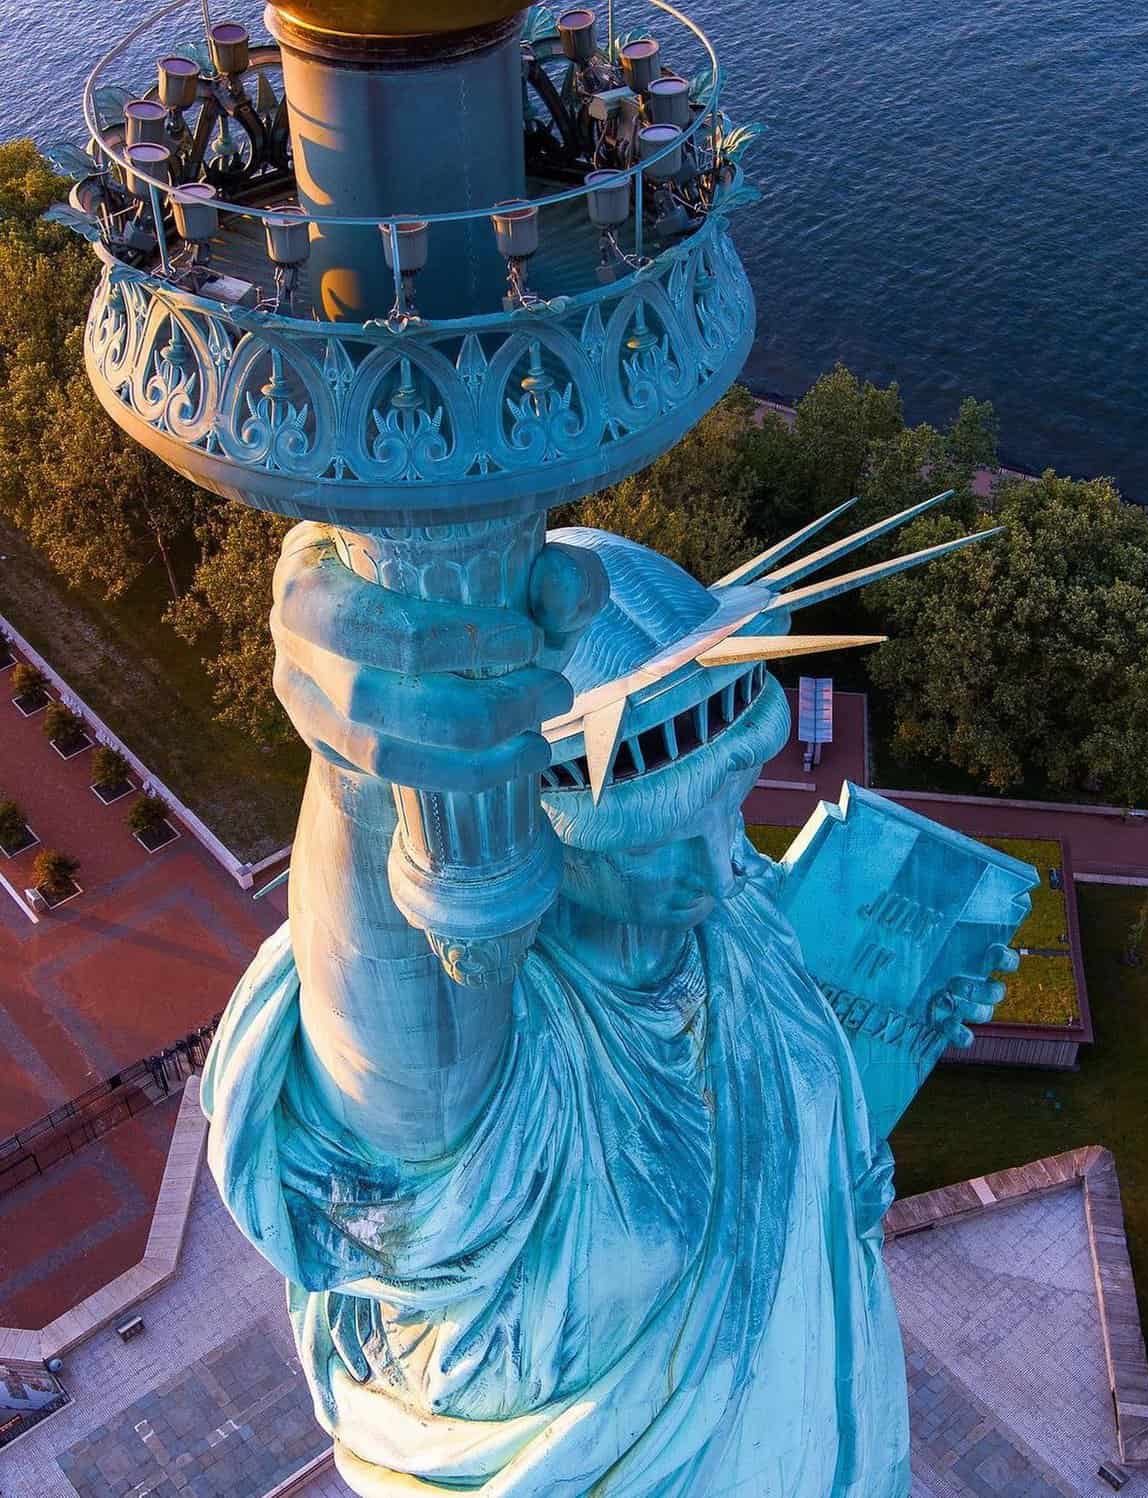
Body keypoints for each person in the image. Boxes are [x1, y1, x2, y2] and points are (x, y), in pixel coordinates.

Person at [203, 521, 1018, 1497]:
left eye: (731, 804)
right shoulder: (495, 1073)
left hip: (824, 1432)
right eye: (652, 838)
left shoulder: (731, 921)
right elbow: (388, 1047)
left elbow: (774, 1135)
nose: (716, 865)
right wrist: (366, 755)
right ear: (529, 825)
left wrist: (890, 1005)